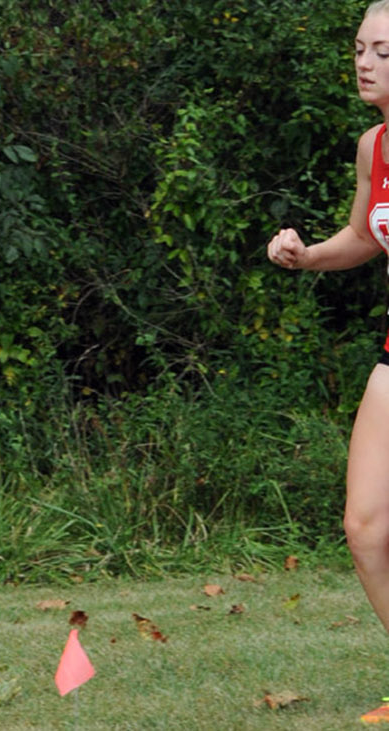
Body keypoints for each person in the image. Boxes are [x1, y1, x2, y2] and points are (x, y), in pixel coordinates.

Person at [268, 1, 389, 722]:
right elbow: (365, 234)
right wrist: (307, 255)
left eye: (382, 50)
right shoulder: (374, 147)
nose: (365, 62)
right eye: (359, 49)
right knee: (366, 523)